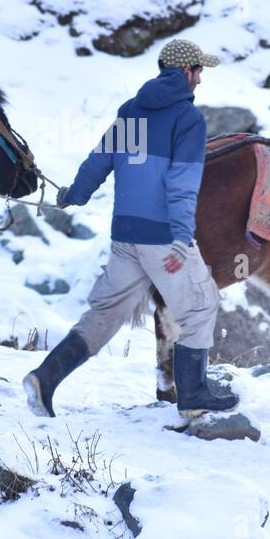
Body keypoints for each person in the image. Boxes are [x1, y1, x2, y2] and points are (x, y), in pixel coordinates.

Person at [23, 39, 239, 418]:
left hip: (125, 235)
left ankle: (46, 378)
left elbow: (98, 162)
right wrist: (182, 238)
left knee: (105, 313)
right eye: (199, 71)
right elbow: (183, 182)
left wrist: (73, 195)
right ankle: (193, 396)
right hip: (163, 237)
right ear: (186, 72)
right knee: (202, 305)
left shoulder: (131, 113)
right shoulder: (188, 119)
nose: (201, 79)